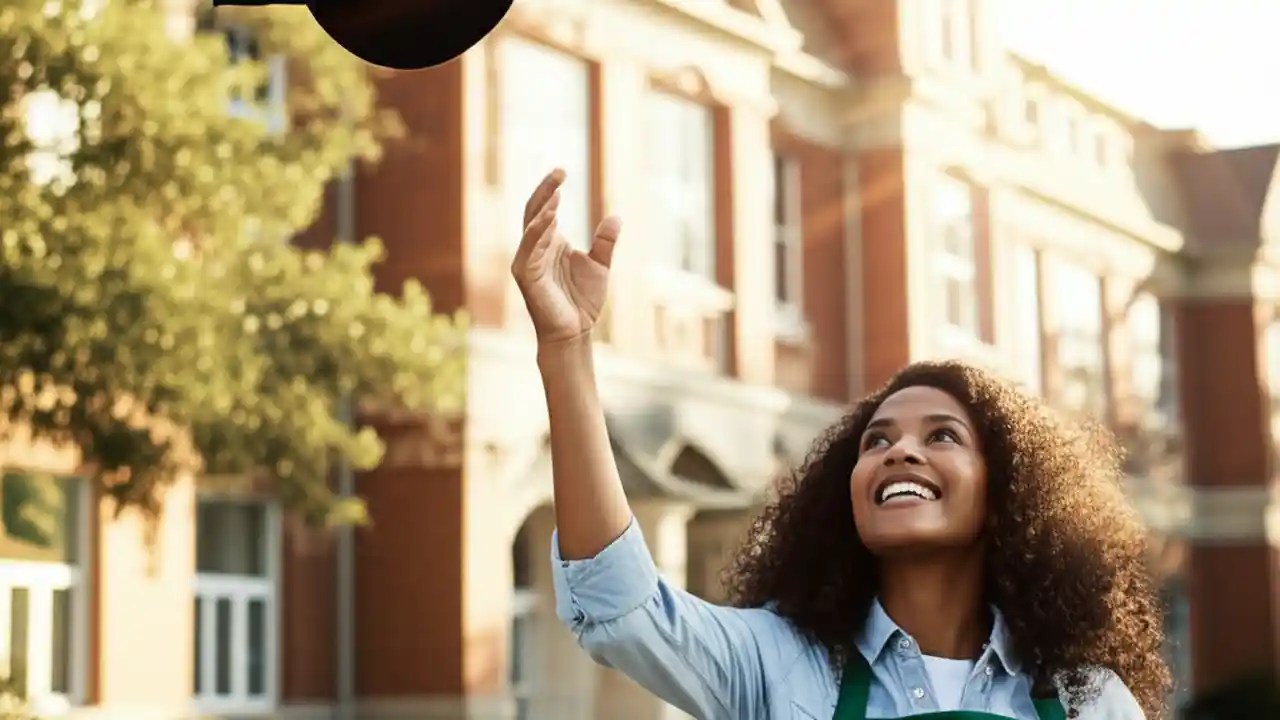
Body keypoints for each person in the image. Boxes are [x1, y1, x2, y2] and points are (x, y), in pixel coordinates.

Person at [511, 168, 1170, 720]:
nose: (899, 451)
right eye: (876, 441)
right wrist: (566, 348)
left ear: (1008, 494)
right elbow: (619, 605)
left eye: (941, 436)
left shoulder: (1087, 699)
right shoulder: (775, 663)